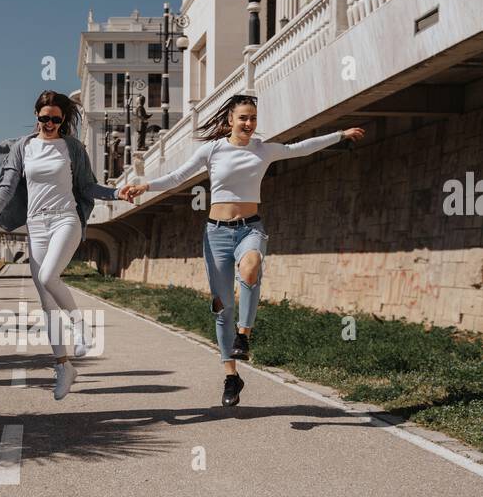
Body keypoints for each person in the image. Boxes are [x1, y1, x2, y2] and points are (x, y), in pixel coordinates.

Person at [120, 95, 364, 407]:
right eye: (243, 118)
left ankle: (244, 335)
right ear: (230, 121)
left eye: (253, 118)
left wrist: (339, 135)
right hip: (216, 233)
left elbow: (299, 148)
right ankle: (231, 376)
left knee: (251, 267)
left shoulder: (264, 150)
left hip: (251, 227)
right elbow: (178, 177)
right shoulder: (212, 150)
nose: (249, 124)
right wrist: (144, 185)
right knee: (222, 307)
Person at [0, 90, 119, 400]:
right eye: (44, 118)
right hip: (36, 226)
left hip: (65, 220)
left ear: (63, 120)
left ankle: (81, 328)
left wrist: (116, 193)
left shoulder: (72, 147)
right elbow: (7, 185)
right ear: (36, 117)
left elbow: (87, 185)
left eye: (55, 119)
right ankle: (64, 368)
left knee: (49, 277)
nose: (49, 123)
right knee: (47, 303)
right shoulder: (23, 147)